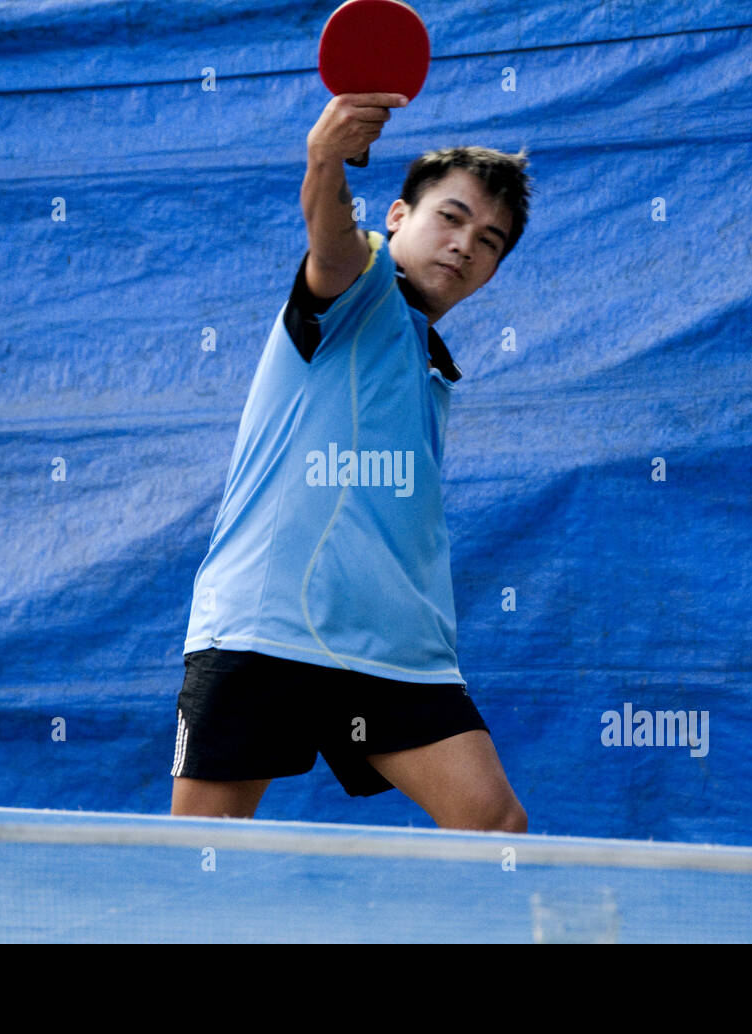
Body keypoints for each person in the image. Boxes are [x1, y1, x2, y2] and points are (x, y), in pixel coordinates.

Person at [171, 91, 532, 832]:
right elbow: (331, 237)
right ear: (397, 218)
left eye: (490, 240)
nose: (466, 245)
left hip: (391, 646)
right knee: (200, 857)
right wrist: (325, 157)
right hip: (264, 629)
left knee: (493, 826)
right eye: (451, 217)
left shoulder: (430, 363)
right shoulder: (358, 285)